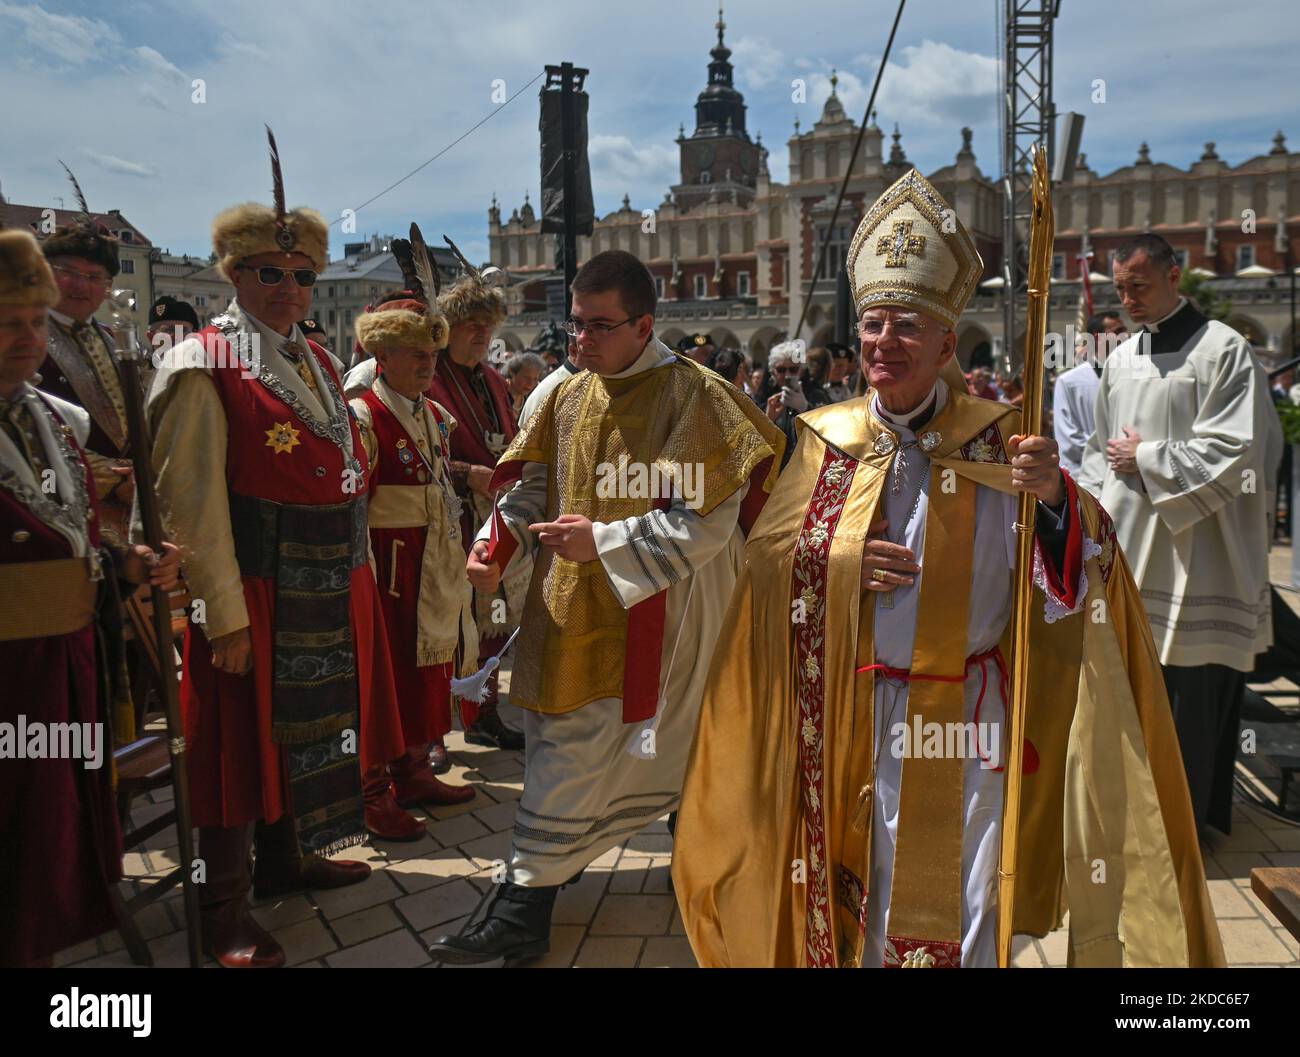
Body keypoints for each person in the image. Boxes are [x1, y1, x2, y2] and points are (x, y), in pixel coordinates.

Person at [673, 170, 1223, 969]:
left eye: (905, 326)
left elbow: (1087, 570)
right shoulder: (824, 437)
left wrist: (1056, 499)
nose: (882, 343)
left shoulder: (1006, 443)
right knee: (857, 894)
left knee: (965, 904)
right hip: (850, 710)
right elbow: (766, 567)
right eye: (870, 325)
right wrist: (840, 564)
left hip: (967, 717)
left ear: (944, 344)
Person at [427, 250, 784, 964]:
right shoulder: (564, 394)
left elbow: (706, 524)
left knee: (654, 745)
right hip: (573, 602)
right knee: (565, 744)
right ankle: (542, 896)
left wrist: (606, 541)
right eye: (574, 326)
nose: (580, 342)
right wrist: (498, 544)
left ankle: (554, 898)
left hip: (674, 609)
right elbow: (532, 490)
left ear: (644, 323)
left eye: (598, 327)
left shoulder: (695, 396)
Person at [146, 133, 407, 967]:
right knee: (234, 745)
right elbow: (189, 503)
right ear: (234, 275)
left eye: (301, 276)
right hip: (253, 582)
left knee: (303, 733)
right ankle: (221, 911)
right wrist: (218, 612)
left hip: (327, 579)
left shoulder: (321, 358)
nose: (289, 289)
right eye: (270, 273)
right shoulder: (201, 362)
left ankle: (287, 856)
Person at [0, 229, 181, 966]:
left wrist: (130, 566)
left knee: (46, 849)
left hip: (68, 668)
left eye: (37, 321)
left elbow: (72, 539)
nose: (30, 337)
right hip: (11, 678)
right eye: (9, 320)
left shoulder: (49, 419)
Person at [1078, 233, 1282, 834]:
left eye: (1138, 286)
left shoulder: (1225, 351)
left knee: (1193, 700)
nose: (1128, 299)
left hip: (1205, 561)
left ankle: (1190, 828)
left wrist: (1149, 458)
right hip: (1135, 555)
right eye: (1120, 288)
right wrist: (1094, 515)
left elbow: (1240, 450)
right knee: (1135, 692)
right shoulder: (1119, 358)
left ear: (1175, 276)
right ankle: (1137, 822)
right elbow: (1096, 452)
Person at [349, 291, 478, 814]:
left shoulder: (434, 415)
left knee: (424, 674)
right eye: (415, 353)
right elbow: (355, 507)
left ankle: (414, 769)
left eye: (431, 352)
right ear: (384, 357)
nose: (428, 363)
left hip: (432, 563)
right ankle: (372, 792)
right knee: (385, 679)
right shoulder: (363, 416)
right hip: (389, 567)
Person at [429, 249, 526, 751]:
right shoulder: (430, 373)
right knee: (445, 624)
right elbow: (416, 452)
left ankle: (483, 711)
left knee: (491, 618)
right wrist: (469, 473)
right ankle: (433, 727)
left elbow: (507, 437)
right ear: (449, 325)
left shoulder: (492, 379)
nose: (481, 334)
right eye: (471, 324)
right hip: (445, 521)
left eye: (487, 325)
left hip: (492, 517)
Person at [38, 203, 137, 544]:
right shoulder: (22, 337)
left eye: (94, 277)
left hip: (132, 506)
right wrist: (113, 479)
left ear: (107, 286)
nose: (81, 285)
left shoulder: (116, 339)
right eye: (69, 272)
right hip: (53, 504)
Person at [1053, 311, 1126, 477]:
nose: (1126, 337)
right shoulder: (1069, 382)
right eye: (1118, 332)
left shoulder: (1133, 375)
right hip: (1090, 477)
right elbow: (1069, 437)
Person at [765, 343, 832, 468]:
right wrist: (767, 420)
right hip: (777, 476)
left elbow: (830, 431)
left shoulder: (817, 395)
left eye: (793, 369)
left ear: (801, 371)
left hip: (808, 471)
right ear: (773, 372)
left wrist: (805, 408)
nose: (787, 375)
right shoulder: (768, 400)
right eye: (781, 370)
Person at [504, 351, 544, 419]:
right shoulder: (500, 393)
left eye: (535, 379)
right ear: (512, 373)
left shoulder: (531, 400)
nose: (530, 383)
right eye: (526, 377)